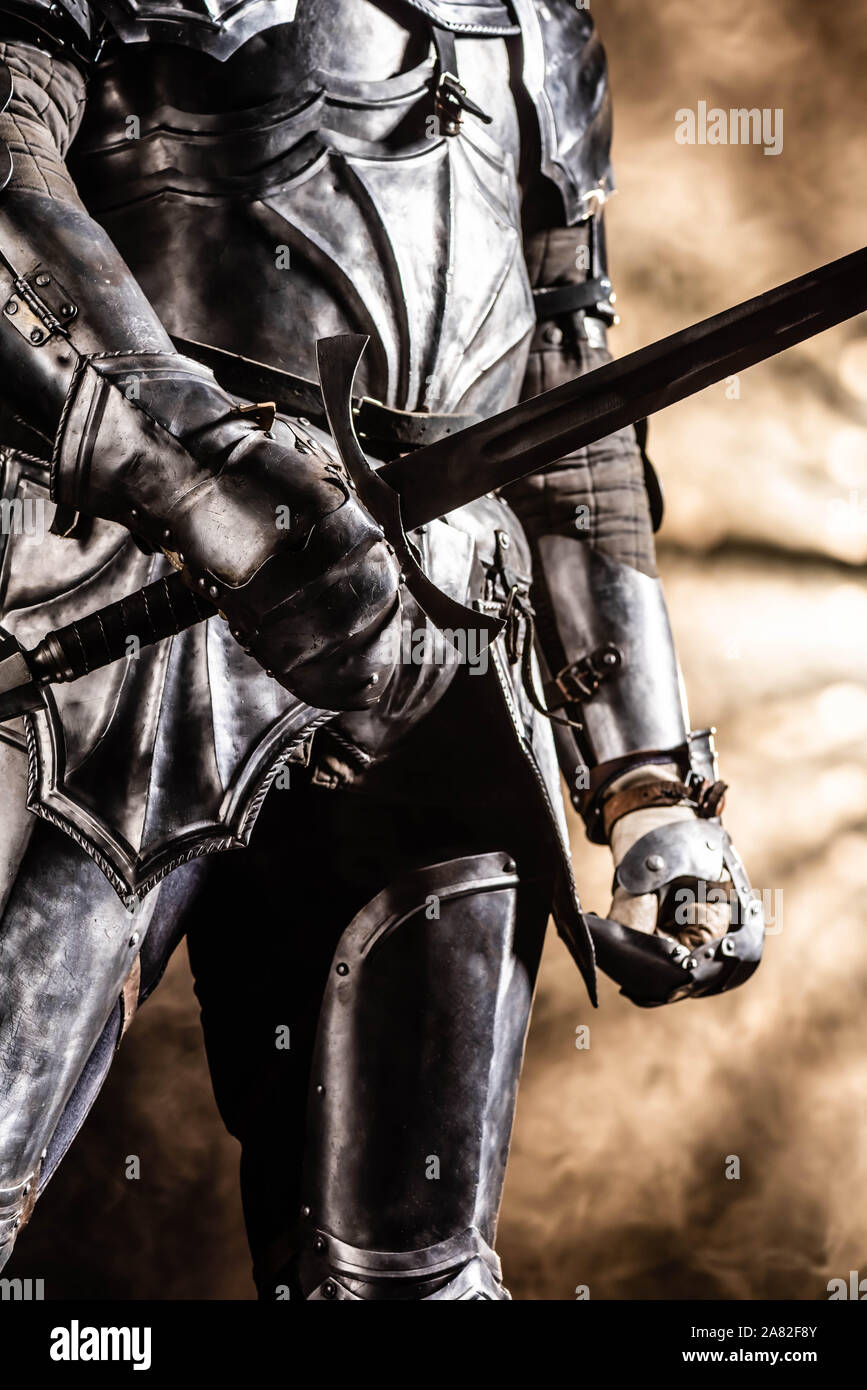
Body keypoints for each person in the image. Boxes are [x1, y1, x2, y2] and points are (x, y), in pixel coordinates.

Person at [0, 0, 759, 1299]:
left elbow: (571, 404)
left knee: (412, 1280)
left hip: (442, 666)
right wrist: (203, 475)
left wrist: (652, 789)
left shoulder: (541, 26)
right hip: (107, 629)